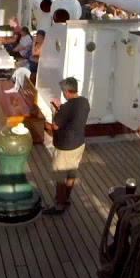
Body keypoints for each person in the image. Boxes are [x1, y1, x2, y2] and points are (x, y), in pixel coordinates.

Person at [44, 76, 89, 215]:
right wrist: (60, 109)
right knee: (72, 171)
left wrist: (54, 112)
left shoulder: (67, 107)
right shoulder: (84, 102)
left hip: (66, 147)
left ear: (66, 91)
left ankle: (59, 204)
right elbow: (71, 116)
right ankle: (67, 198)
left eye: (63, 91)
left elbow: (56, 126)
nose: (63, 93)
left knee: (59, 175)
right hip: (79, 144)